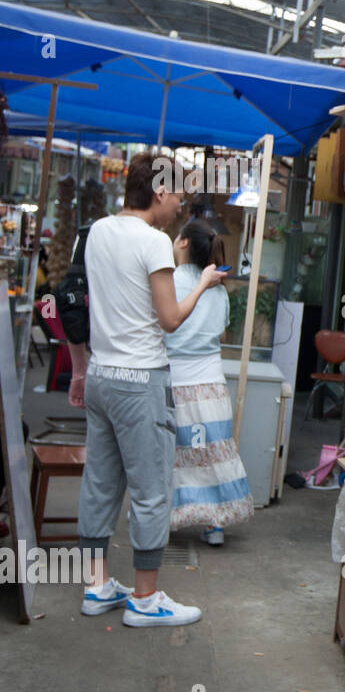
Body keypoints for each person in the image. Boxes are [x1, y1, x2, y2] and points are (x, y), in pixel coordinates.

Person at [70, 152, 226, 628]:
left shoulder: (97, 231)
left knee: (99, 483)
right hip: (141, 382)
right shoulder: (155, 242)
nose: (180, 204)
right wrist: (200, 284)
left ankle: (96, 587)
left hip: (101, 375)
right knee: (152, 489)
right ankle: (144, 596)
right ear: (159, 191)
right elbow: (171, 320)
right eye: (178, 193)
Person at [166, 220, 252, 546]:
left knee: (175, 454)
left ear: (185, 243)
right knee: (213, 453)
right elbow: (223, 331)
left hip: (178, 383)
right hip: (213, 385)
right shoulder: (219, 290)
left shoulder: (170, 282)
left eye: (177, 236)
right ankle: (216, 525)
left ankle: (167, 520)